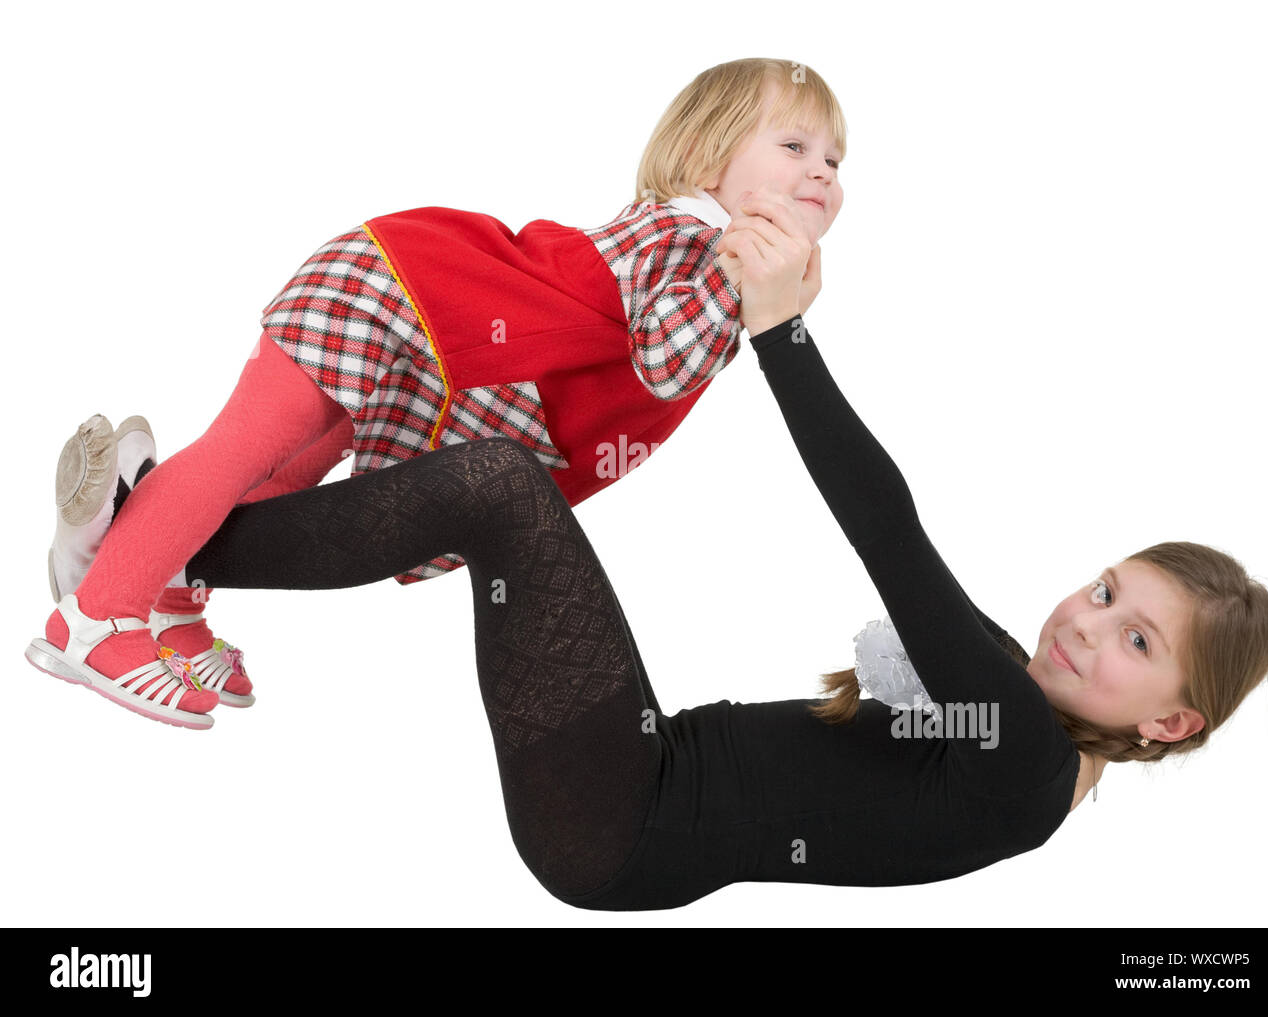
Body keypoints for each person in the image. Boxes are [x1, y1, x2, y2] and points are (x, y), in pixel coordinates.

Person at [28, 191, 1268, 908]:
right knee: (491, 492)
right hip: (636, 785)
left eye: (1134, 640)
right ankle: (162, 538)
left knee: (503, 488)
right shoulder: (1014, 736)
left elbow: (884, 528)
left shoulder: (1019, 754)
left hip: (623, 817)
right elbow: (885, 743)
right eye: (1110, 588)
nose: (1086, 619)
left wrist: (779, 334)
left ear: (1173, 721)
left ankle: (145, 554)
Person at [31, 58, 848, 726]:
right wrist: (758, 288)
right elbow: (665, 363)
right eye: (794, 146)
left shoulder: (690, 242)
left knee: (285, 471)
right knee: (242, 447)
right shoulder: (698, 242)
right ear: (708, 157)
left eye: (834, 162)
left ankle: (167, 586)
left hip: (424, 333)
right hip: (400, 295)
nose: (821, 172)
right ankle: (98, 613)